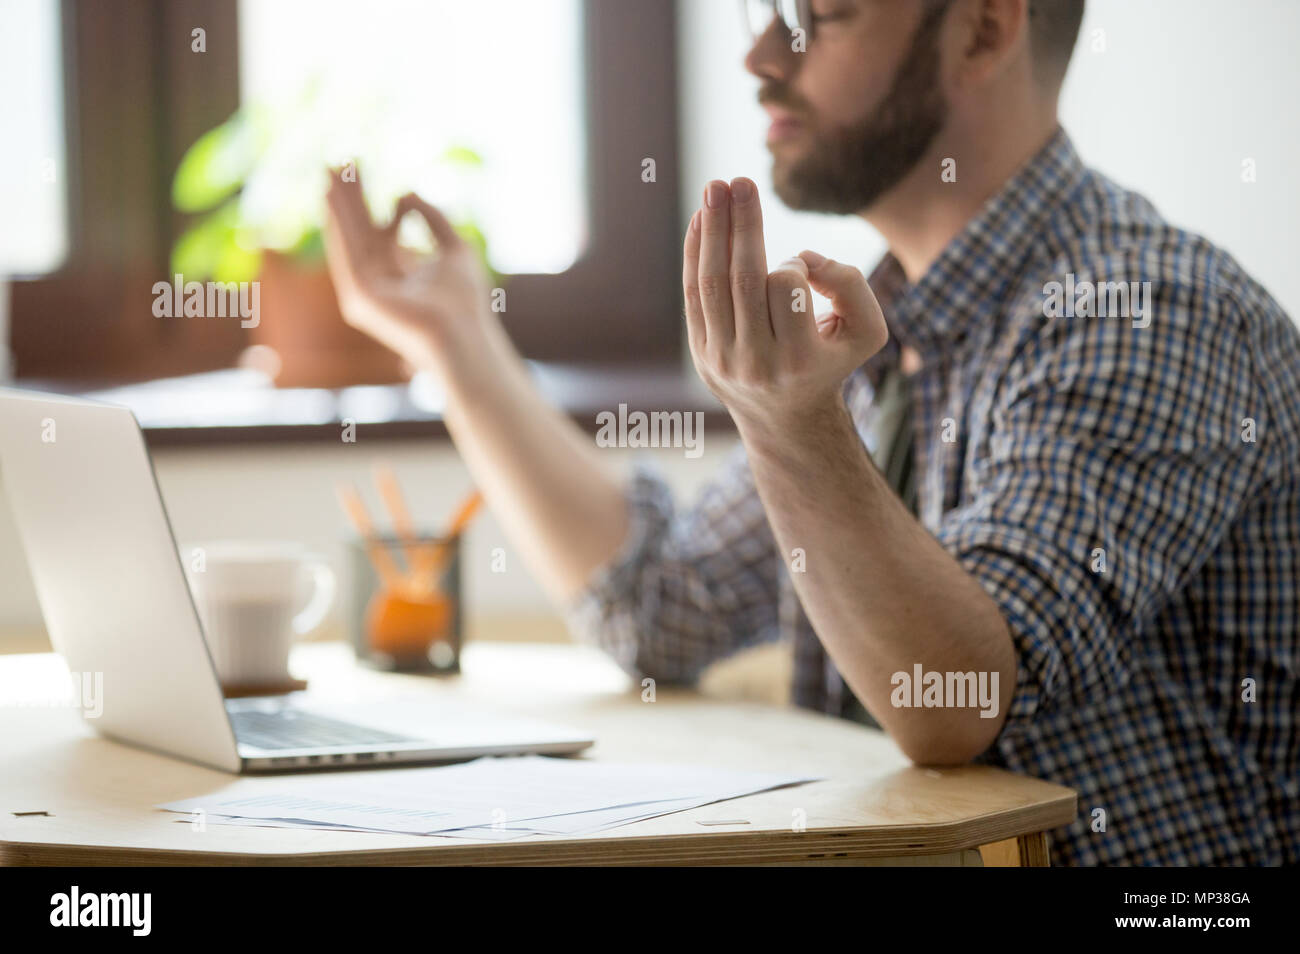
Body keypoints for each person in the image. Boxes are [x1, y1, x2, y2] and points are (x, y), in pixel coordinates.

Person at [322, 0, 1300, 865]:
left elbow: (954, 693)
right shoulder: (884, 325)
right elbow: (662, 604)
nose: (759, 57)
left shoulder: (1144, 313)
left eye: (818, 15)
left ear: (984, 27)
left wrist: (791, 424)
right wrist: (453, 342)